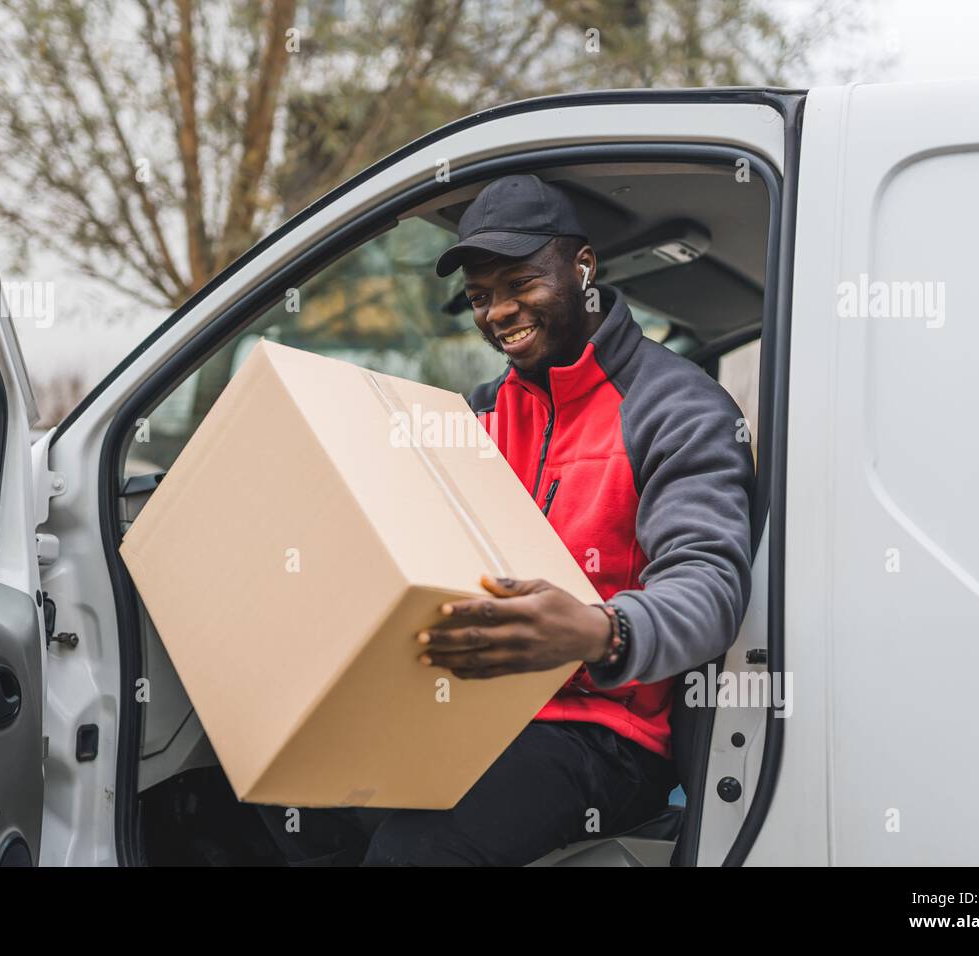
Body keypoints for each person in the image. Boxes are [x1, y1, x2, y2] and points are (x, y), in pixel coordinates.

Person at [256, 174, 754, 865]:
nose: (498, 312)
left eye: (520, 283)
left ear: (582, 269)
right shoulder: (474, 416)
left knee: (416, 853)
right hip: (464, 708)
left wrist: (599, 630)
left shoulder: (677, 409)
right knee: (284, 803)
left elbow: (710, 587)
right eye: (482, 297)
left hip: (602, 735)